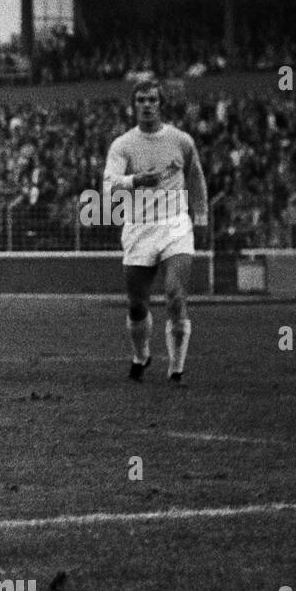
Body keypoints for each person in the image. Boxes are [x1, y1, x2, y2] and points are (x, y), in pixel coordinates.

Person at [104, 79, 208, 384]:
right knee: (137, 305)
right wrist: (135, 181)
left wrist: (199, 219)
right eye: (141, 100)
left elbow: (197, 180)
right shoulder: (123, 145)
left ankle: (176, 369)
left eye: (152, 99)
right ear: (133, 105)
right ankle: (142, 355)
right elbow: (108, 184)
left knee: (175, 295)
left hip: (175, 225)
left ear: (161, 104)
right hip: (139, 228)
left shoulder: (182, 141)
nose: (147, 105)